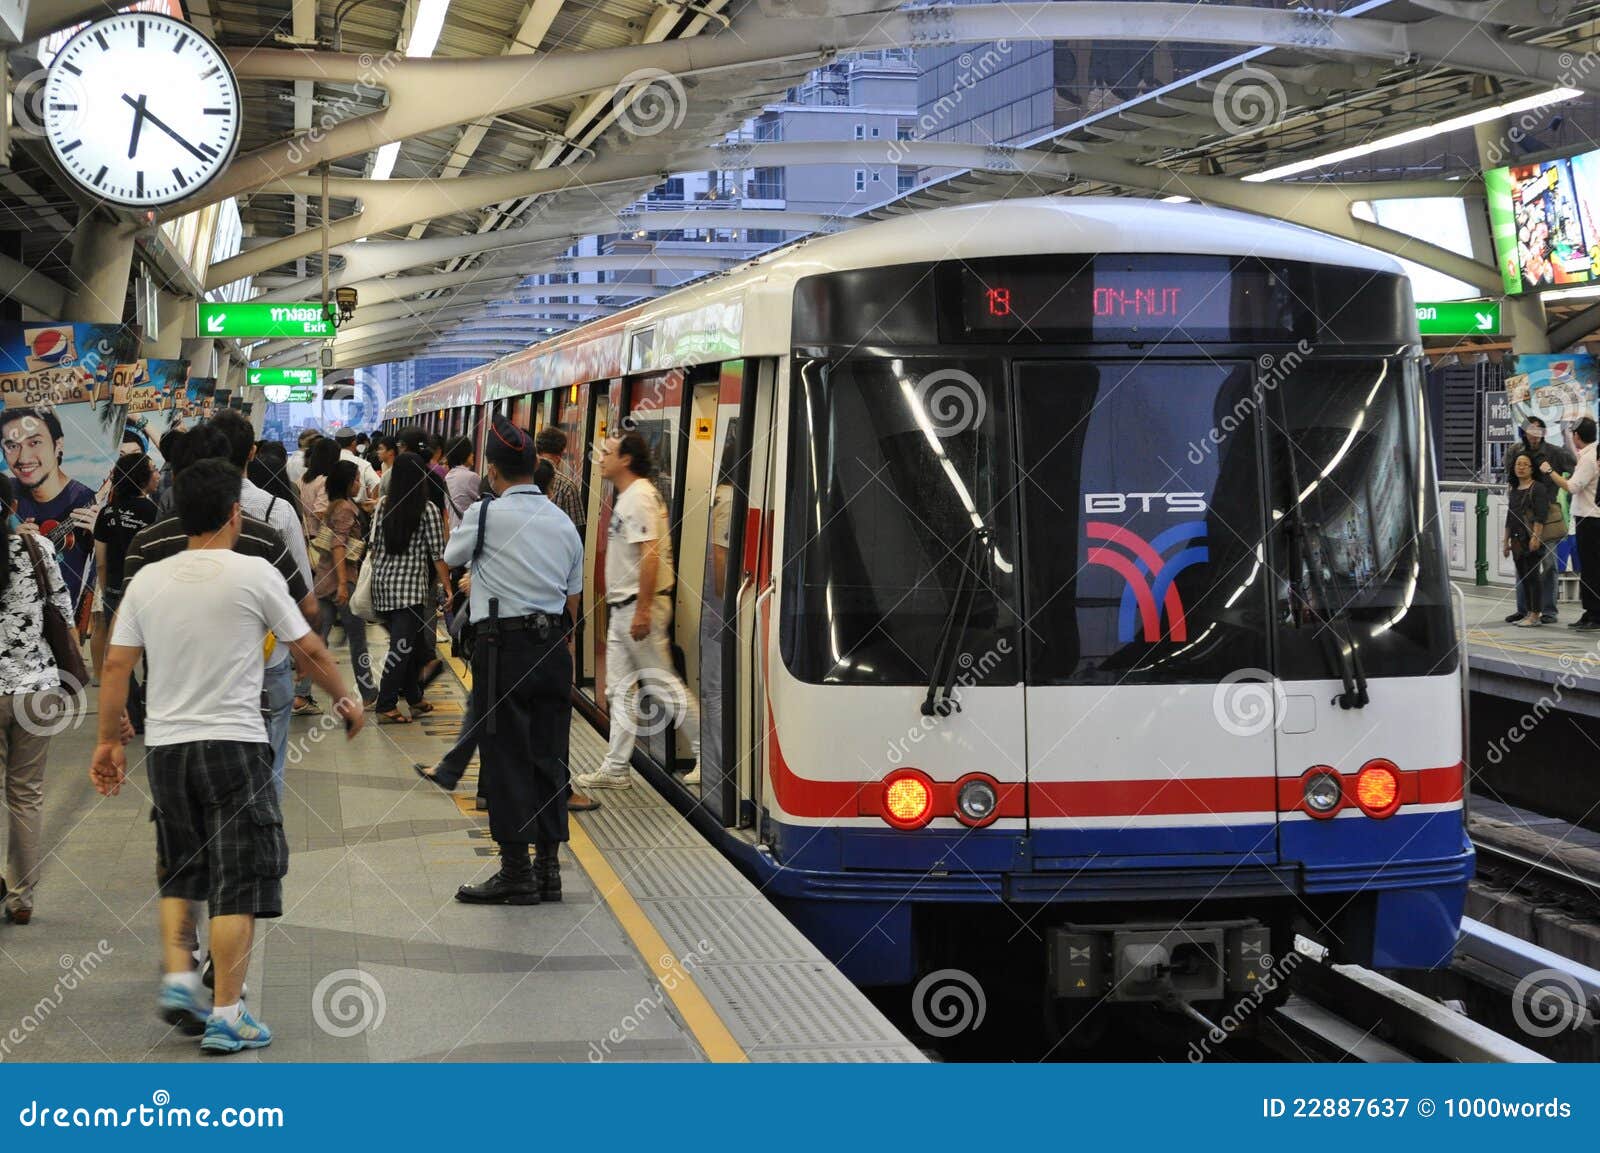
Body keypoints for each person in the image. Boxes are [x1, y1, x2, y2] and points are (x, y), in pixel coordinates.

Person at [92, 458, 364, 1054]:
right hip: (235, 745)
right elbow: (309, 648)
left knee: (181, 867)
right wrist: (345, 698)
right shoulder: (255, 573)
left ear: (179, 514)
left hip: (166, 751)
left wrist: (108, 740)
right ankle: (226, 1014)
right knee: (235, 880)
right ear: (235, 513)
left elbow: (116, 664)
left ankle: (182, 979)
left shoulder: (148, 580)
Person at [122, 425, 319, 797]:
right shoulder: (268, 527)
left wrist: (114, 715)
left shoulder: (148, 542)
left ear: (177, 476)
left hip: (175, 691)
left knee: (185, 798)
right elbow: (307, 603)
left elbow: (124, 641)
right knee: (263, 768)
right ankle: (261, 819)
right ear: (248, 455)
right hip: (261, 668)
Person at [437, 417, 583, 905]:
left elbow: (452, 556)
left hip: (504, 650)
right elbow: (573, 600)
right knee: (549, 757)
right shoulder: (563, 522)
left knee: (507, 760)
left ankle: (516, 873)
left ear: (493, 473)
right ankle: (549, 872)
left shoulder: (484, 514)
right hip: (553, 650)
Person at [575, 433, 700, 791]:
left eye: (608, 453)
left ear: (626, 459)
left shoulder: (640, 497)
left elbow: (650, 554)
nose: (600, 458)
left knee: (662, 685)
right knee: (619, 690)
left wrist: (643, 610)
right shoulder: (629, 496)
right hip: (622, 609)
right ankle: (615, 768)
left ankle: (707, 754)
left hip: (637, 608)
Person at [212, 412, 320, 736]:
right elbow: (304, 592)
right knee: (269, 758)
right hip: (269, 654)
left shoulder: (189, 510)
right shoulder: (279, 511)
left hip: (206, 658)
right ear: (252, 452)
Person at [0, 472, 76, 925]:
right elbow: (63, 613)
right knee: (25, 794)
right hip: (36, 690)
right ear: (13, 509)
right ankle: (21, 898)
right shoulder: (37, 548)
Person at [369, 453, 451, 723]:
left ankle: (414, 698)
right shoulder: (426, 509)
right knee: (402, 648)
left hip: (383, 588)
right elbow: (438, 554)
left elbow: (373, 546)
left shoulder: (382, 505)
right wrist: (448, 589)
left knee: (413, 645)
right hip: (410, 591)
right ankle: (386, 704)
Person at [0, 406, 97, 616]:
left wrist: (103, 536)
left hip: (62, 624)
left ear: (57, 445)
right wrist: (11, 541)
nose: (23, 457)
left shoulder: (88, 502)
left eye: (34, 442)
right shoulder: (6, 492)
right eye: (11, 445)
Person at [301, 462, 376, 704]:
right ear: (346, 482)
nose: (359, 484)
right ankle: (367, 692)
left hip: (323, 579)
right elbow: (338, 545)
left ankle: (301, 693)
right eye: (356, 479)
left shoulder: (336, 505)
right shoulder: (344, 508)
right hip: (342, 580)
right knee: (357, 640)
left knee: (318, 639)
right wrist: (344, 584)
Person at [92, 453, 160, 681]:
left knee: (119, 651)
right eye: (153, 469)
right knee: (149, 651)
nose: (157, 474)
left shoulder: (107, 512)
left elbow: (101, 562)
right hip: (146, 594)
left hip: (113, 591)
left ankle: (124, 703)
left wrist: (107, 591)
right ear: (143, 478)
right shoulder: (155, 513)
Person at [1508, 416, 1575, 623]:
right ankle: (1524, 609)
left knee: (1549, 564)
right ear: (1524, 432)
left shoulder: (1555, 452)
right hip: (1521, 515)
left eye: (1539, 431)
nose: (1534, 435)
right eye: (1531, 430)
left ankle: (1548, 610)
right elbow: (1510, 479)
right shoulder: (1515, 452)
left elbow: (1575, 468)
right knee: (1522, 563)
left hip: (1548, 514)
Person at [1541, 416, 1600, 630]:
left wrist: (1550, 471)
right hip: (1591, 518)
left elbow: (1572, 487)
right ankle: (1590, 611)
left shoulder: (1588, 457)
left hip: (1590, 520)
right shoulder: (1592, 453)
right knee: (1591, 568)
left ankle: (1595, 614)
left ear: (1576, 436)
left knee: (1592, 568)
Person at [1505, 453, 1549, 628]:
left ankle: (1535, 614)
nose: (1520, 467)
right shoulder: (1514, 490)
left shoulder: (1537, 488)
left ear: (1532, 469)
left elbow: (1541, 515)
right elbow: (1509, 517)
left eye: (1525, 464)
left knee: (1533, 576)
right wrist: (1505, 542)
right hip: (1516, 539)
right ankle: (1529, 612)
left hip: (1530, 538)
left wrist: (1536, 537)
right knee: (1523, 576)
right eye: (1518, 464)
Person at [535, 426, 585, 530]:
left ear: (537, 449)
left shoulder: (522, 477)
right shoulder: (568, 487)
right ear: (561, 453)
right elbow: (575, 530)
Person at [333, 426, 381, 510]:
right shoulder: (363, 464)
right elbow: (377, 484)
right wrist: (372, 504)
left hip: (333, 508)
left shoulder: (331, 461)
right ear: (354, 443)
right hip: (357, 509)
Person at [444, 437, 481, 530]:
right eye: (470, 452)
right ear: (464, 454)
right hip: (468, 532)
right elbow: (485, 505)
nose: (473, 455)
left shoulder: (447, 477)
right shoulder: (471, 477)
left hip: (453, 531)